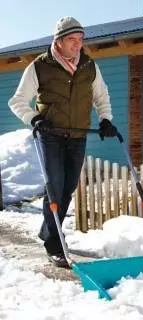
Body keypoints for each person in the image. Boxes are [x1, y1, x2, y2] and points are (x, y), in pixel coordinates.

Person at [8, 16, 118, 268]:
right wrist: (35, 118)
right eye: (72, 40)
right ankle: (54, 243)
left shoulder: (89, 66)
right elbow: (17, 101)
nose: (78, 45)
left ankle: (48, 231)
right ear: (58, 41)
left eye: (80, 40)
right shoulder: (39, 66)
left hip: (77, 136)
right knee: (55, 187)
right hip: (51, 136)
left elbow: (102, 96)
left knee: (67, 188)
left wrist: (106, 120)